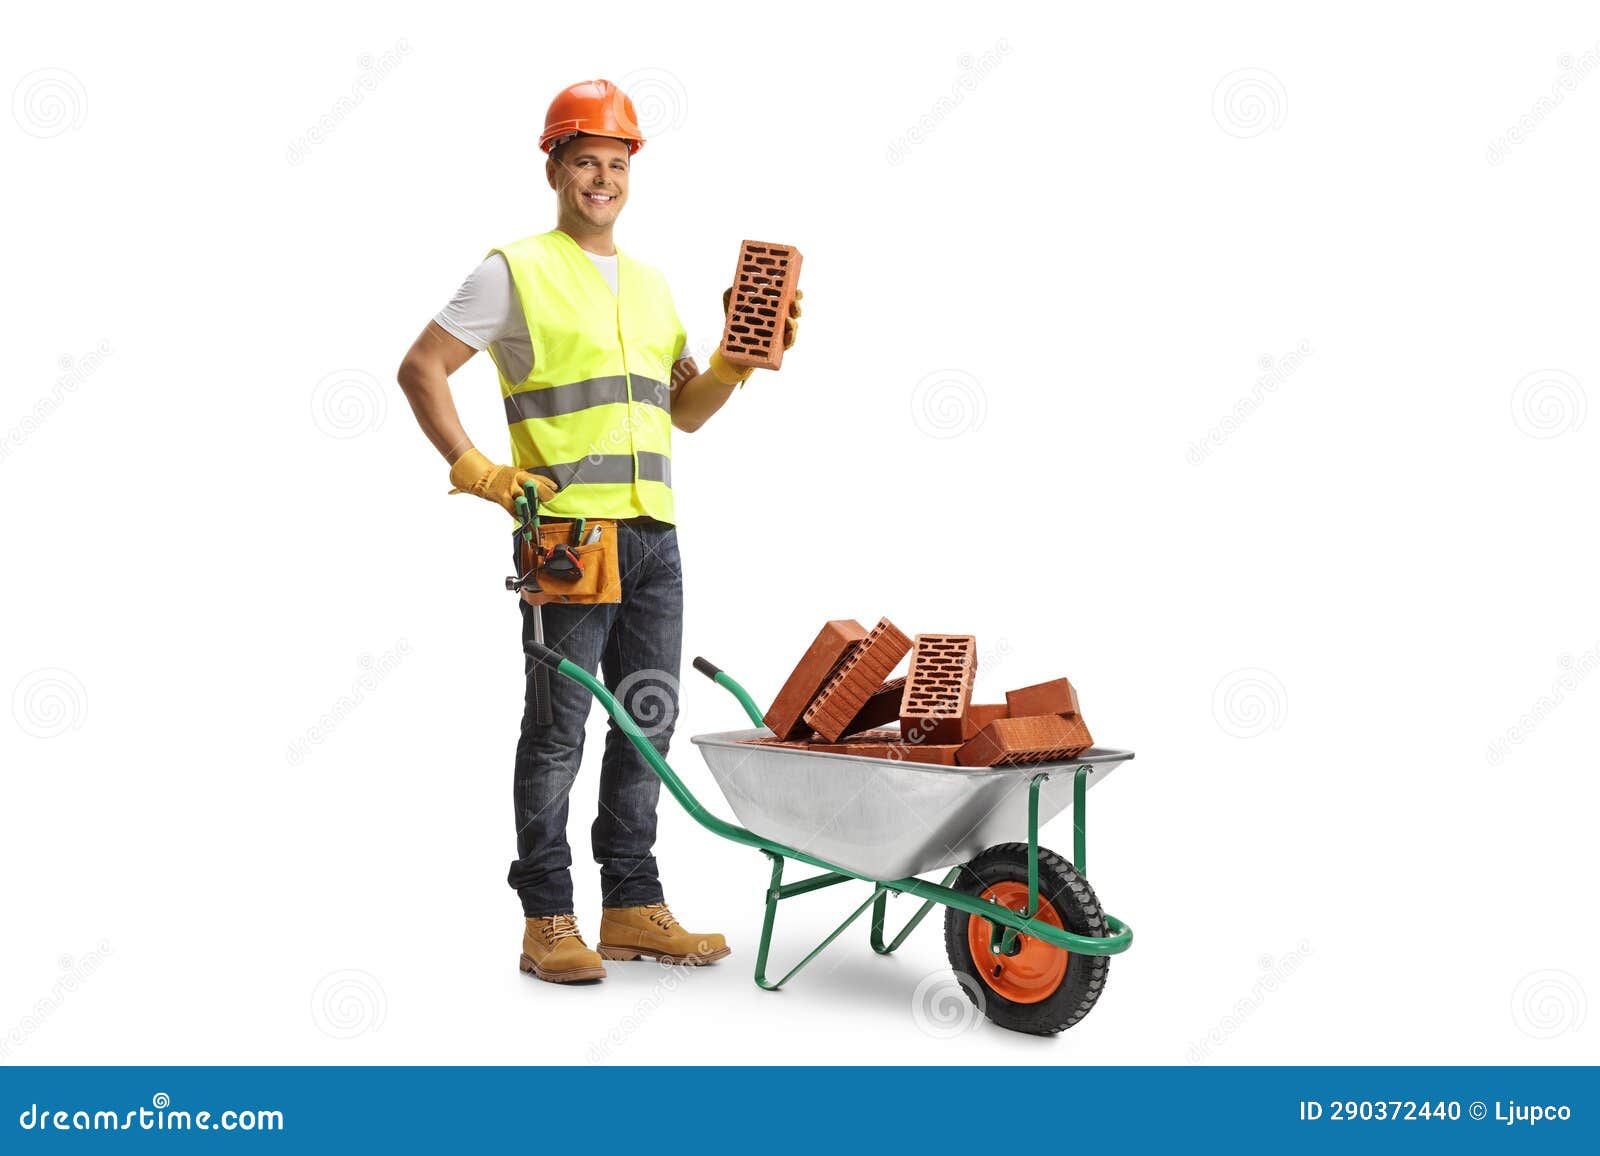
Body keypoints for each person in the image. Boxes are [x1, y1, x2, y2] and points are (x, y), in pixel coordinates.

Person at [396, 79, 800, 983]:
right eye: (586, 161)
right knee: (558, 732)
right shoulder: (514, 270)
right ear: (555, 169)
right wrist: (481, 472)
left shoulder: (653, 286)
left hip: (655, 534)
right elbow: (421, 368)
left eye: (617, 163)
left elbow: (684, 413)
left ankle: (630, 905)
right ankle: (547, 918)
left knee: (647, 723)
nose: (603, 179)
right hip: (569, 540)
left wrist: (734, 360)